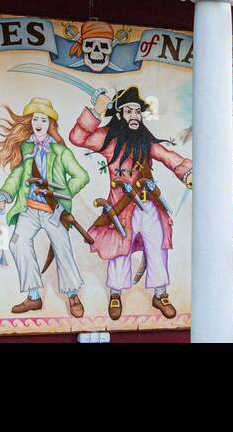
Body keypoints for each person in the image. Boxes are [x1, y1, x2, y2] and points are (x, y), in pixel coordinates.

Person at [70, 87, 192, 321]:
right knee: (119, 250)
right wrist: (96, 110)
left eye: (137, 110)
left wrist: (187, 173)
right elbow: (78, 138)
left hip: (149, 206)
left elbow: (168, 156)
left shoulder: (146, 141)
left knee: (158, 248)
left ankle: (160, 294)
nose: (134, 115)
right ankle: (115, 294)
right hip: (122, 207)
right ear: (119, 115)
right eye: (129, 110)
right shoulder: (108, 140)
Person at [0, 98, 91, 316]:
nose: (39, 123)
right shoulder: (26, 147)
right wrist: (5, 194)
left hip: (54, 211)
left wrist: (61, 193)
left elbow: (82, 177)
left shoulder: (60, 152)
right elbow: (17, 175)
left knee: (63, 249)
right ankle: (33, 296)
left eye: (44, 119)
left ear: (50, 124)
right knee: (18, 243)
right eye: (36, 119)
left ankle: (73, 295)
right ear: (31, 122)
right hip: (28, 209)